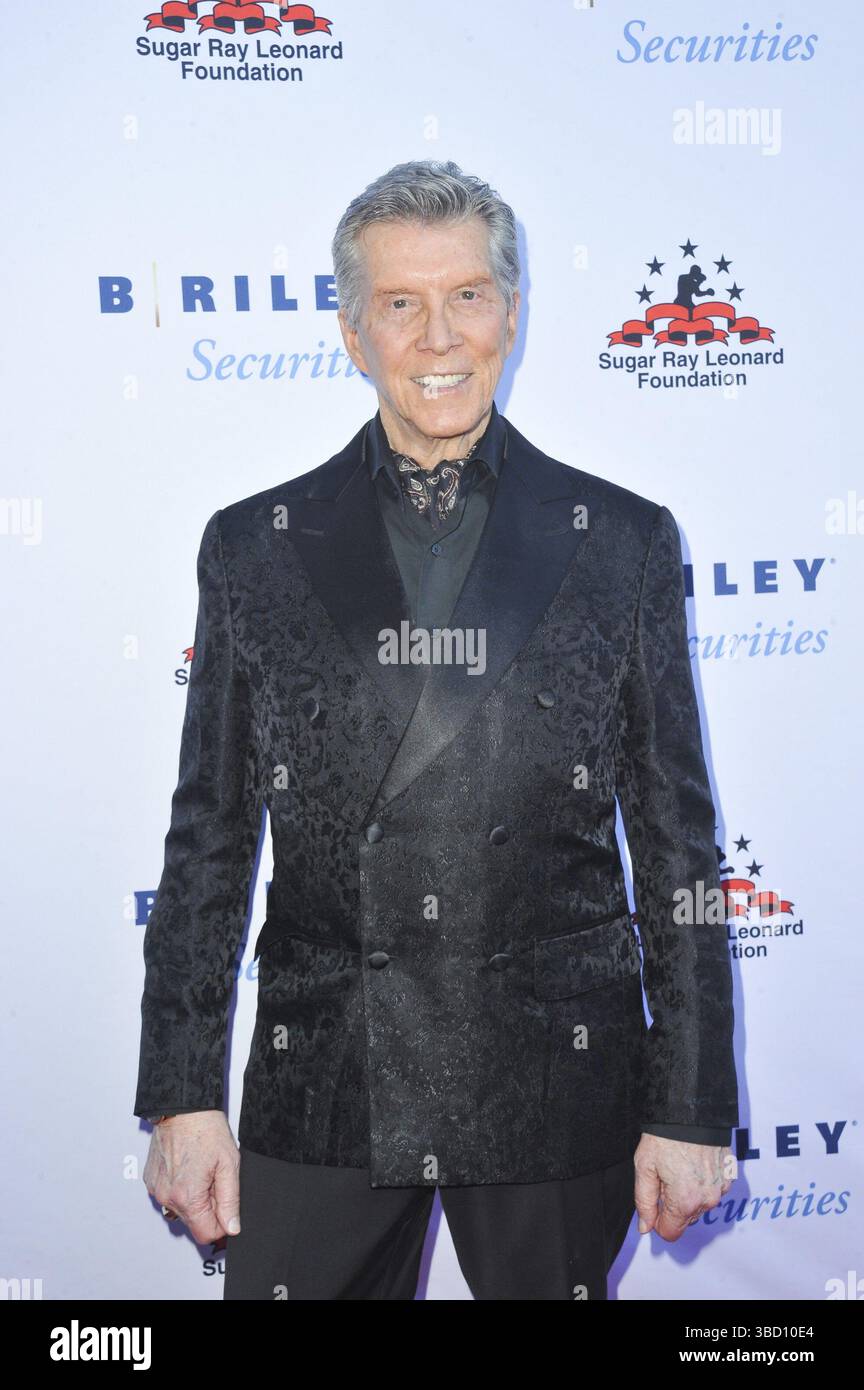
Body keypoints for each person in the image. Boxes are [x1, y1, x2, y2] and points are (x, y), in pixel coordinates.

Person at [135, 159, 739, 1301]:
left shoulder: (620, 541)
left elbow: (676, 849)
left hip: (552, 1078)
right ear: (354, 334)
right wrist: (182, 1089)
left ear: (512, 311)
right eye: (400, 304)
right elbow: (208, 839)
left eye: (468, 294)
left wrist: (693, 1103)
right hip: (326, 1079)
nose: (438, 335)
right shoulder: (253, 547)